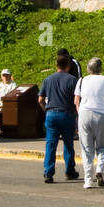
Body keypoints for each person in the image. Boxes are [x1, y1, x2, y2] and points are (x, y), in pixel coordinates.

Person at [74, 57, 104, 188]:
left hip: (85, 114)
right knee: (102, 146)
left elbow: (76, 100)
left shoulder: (82, 80)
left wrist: (80, 113)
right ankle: (99, 169)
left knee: (87, 148)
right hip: (103, 115)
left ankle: (87, 180)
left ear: (88, 68)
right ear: (100, 68)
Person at [38, 54, 79, 183]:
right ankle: (69, 171)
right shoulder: (73, 80)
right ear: (68, 66)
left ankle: (48, 173)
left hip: (51, 114)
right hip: (67, 114)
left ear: (56, 65)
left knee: (51, 144)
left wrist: (46, 109)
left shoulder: (48, 79)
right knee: (68, 144)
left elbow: (40, 99)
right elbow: (76, 99)